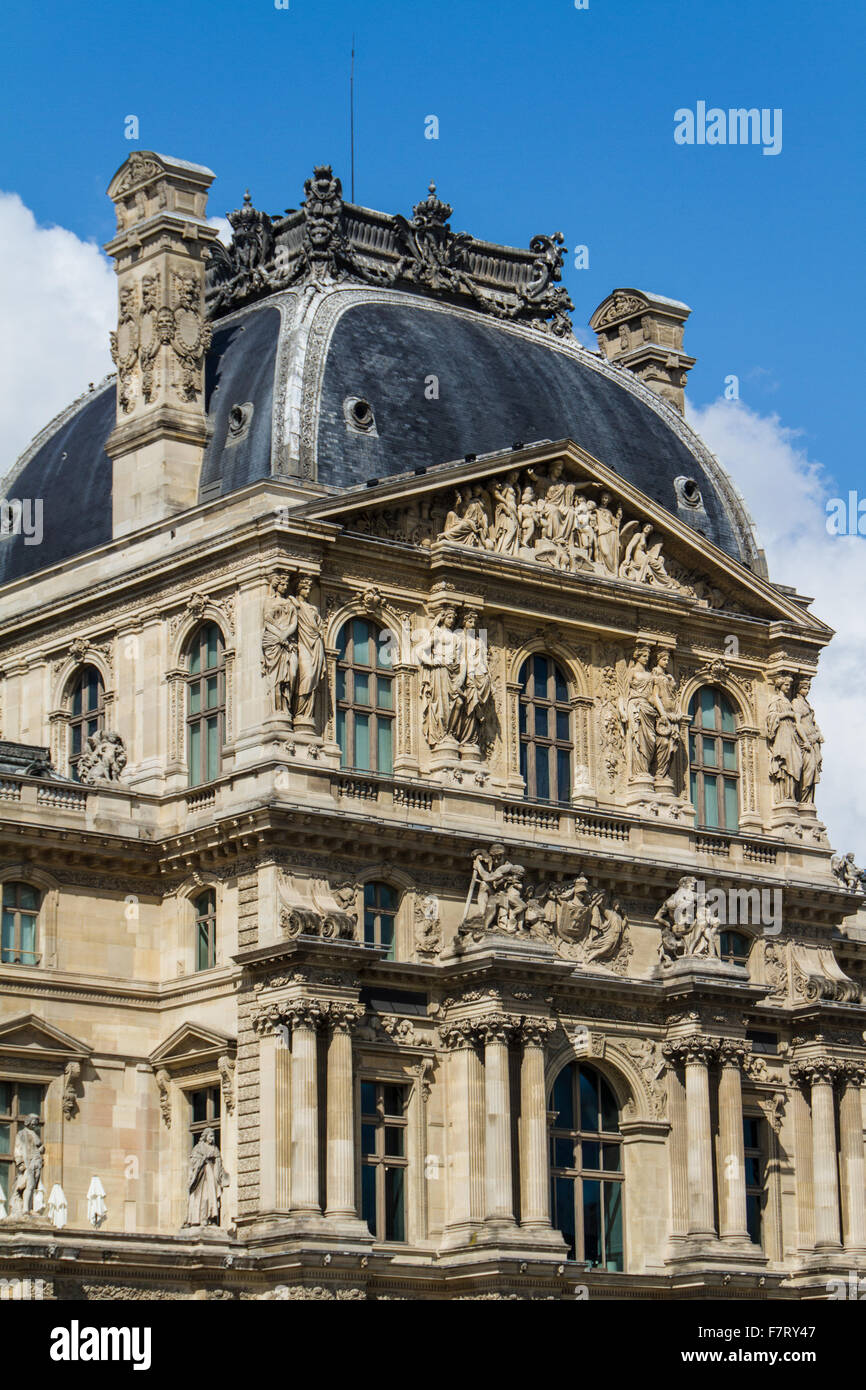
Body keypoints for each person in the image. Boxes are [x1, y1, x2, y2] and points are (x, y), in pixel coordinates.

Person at [186, 1127, 229, 1226]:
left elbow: (219, 1164)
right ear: (205, 1137)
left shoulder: (215, 1149)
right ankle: (201, 1218)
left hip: (212, 1176)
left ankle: (210, 1218)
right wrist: (203, 1160)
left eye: (213, 1136)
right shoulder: (199, 1148)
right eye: (210, 1136)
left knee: (211, 1197)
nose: (212, 1139)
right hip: (202, 1177)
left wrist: (221, 1173)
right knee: (203, 1197)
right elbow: (193, 1161)